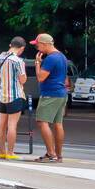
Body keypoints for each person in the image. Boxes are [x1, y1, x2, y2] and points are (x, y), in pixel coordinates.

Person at [32, 32, 69, 162]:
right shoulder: (62, 57)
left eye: (38, 45)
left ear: (44, 44)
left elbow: (41, 77)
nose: (37, 48)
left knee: (42, 121)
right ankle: (58, 155)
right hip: (61, 93)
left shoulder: (51, 58)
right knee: (58, 123)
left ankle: (51, 154)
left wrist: (37, 63)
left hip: (50, 94)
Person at [0, 37, 28, 159]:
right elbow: (23, 80)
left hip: (2, 95)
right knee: (12, 125)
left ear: (10, 45)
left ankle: (1, 152)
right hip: (15, 96)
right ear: (22, 48)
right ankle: (10, 153)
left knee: (1, 124)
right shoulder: (18, 61)